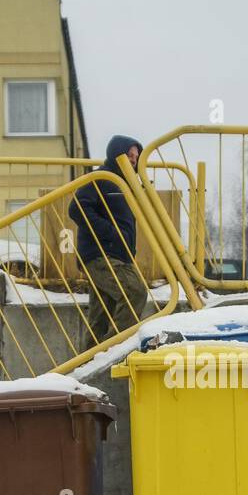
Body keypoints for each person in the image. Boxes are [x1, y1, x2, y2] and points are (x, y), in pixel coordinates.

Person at [69, 135, 150, 348]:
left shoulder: (126, 184)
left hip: (117, 254)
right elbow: (77, 208)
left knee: (101, 315)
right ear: (117, 154)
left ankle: (87, 364)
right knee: (135, 292)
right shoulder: (102, 177)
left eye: (136, 156)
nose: (133, 159)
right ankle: (112, 351)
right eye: (129, 155)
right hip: (101, 254)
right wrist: (111, 233)